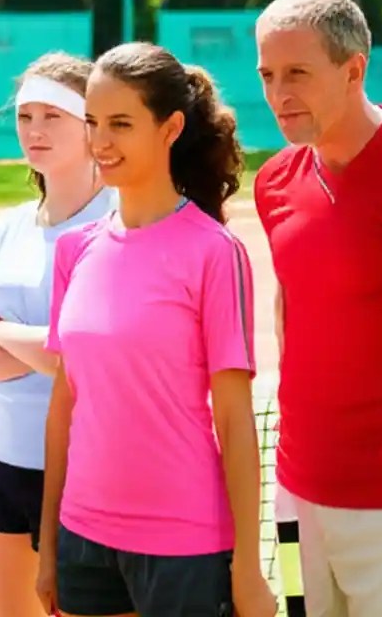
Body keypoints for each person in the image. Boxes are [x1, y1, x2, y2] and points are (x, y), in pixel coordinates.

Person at [35, 42, 276, 617]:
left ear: (170, 128)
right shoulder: (76, 250)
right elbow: (65, 402)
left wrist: (246, 565)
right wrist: (50, 545)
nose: (101, 142)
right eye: (93, 122)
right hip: (83, 538)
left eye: (121, 124)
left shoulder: (215, 253)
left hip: (186, 545)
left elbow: (236, 420)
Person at [253, 0, 382, 617]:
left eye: (297, 74)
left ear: (353, 70)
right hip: (295, 497)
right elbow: (291, 315)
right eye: (267, 74)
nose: (279, 94)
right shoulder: (274, 182)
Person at [0, 52, 114, 617]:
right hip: (0, 462)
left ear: (91, 125)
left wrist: (4, 332)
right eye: (25, 115)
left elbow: (86, 358)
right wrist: (39, 342)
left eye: (52, 115)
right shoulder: (5, 229)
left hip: (92, 470)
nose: (34, 129)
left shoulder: (120, 223)